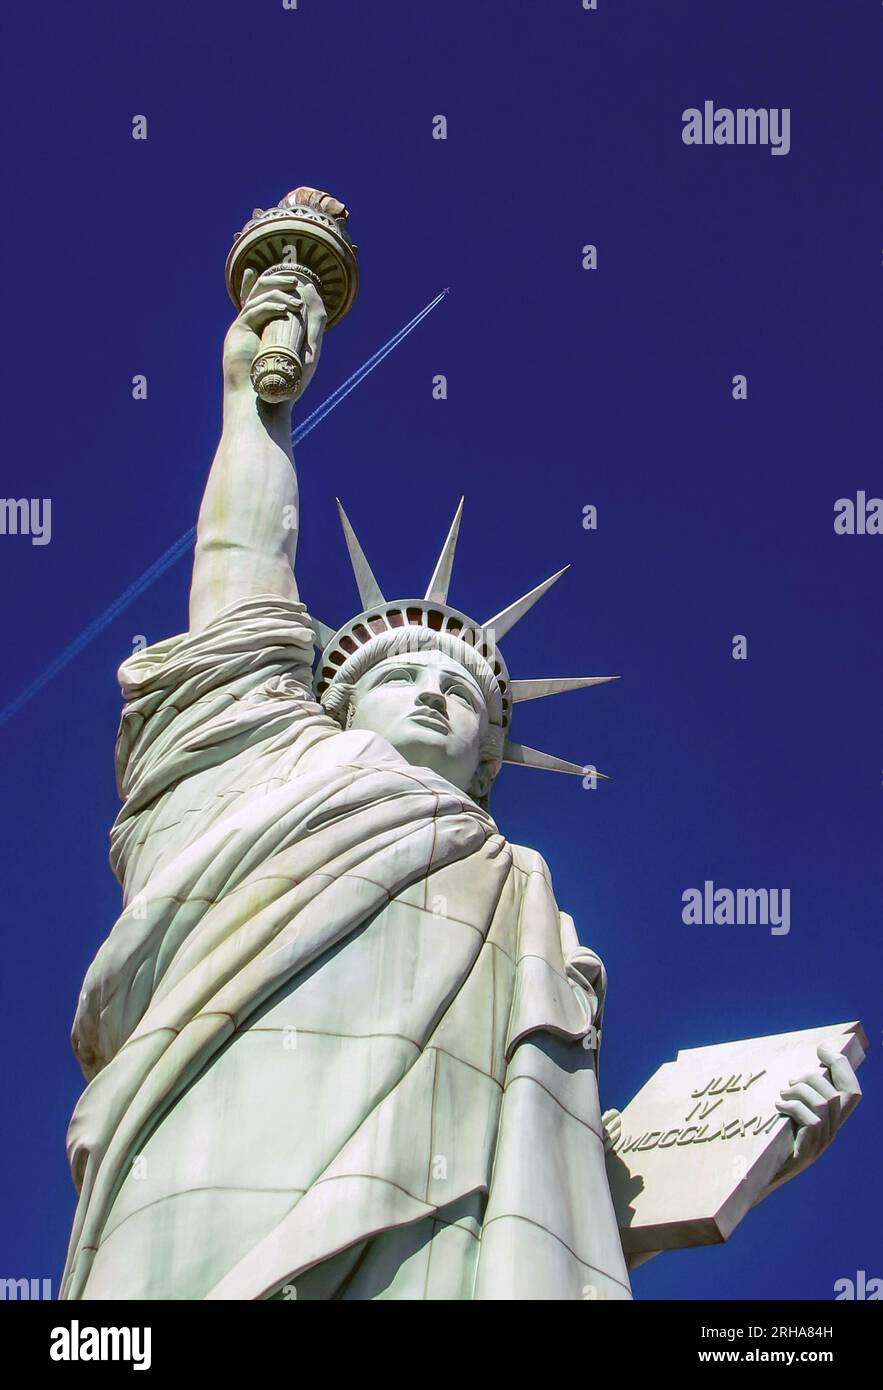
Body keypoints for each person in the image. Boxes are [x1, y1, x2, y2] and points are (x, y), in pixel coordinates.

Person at [60, 244, 860, 1302]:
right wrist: (252, 407)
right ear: (327, 702)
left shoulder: (524, 892)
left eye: (466, 693)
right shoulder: (267, 759)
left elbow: (533, 1182)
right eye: (401, 673)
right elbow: (241, 561)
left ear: (489, 759)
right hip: (212, 1169)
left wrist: (741, 1152)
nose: (436, 692)